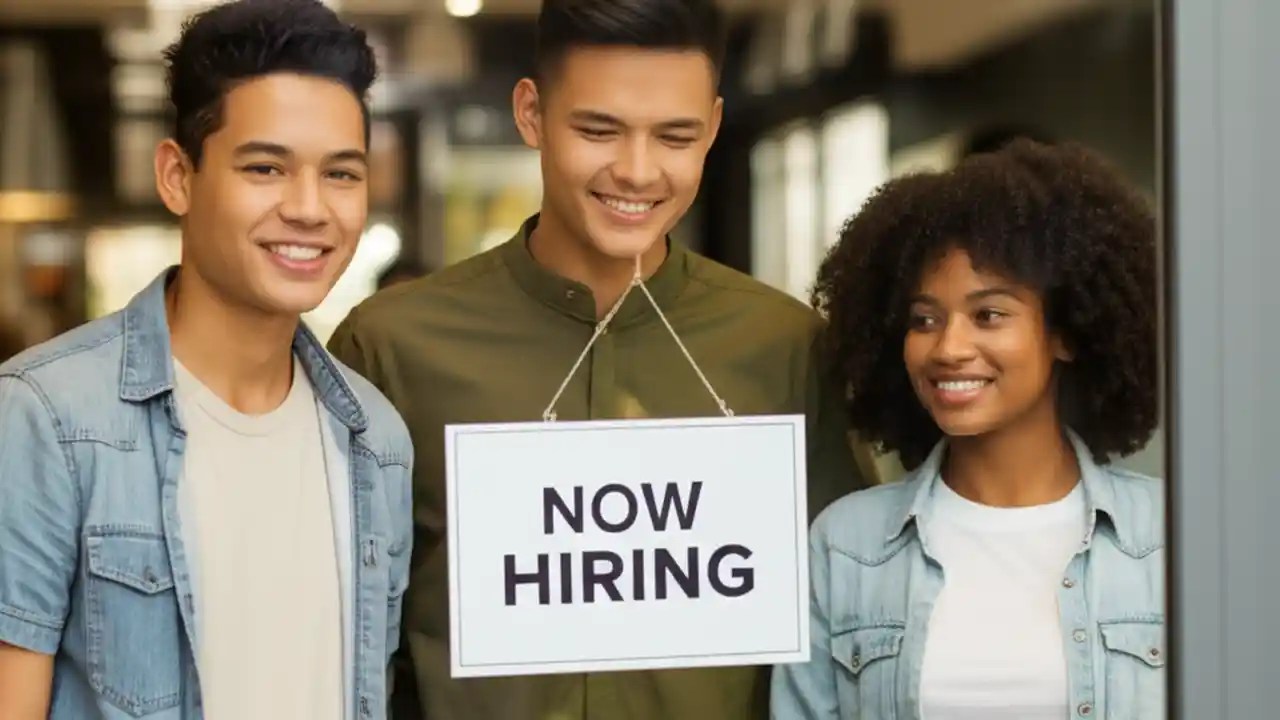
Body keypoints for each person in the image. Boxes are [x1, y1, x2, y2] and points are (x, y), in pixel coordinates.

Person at [326, 0, 867, 718]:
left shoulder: (784, 345)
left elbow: (845, 613)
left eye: (675, 136)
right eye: (597, 130)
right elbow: (345, 634)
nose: (637, 171)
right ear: (531, 114)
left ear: (710, 126)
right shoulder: (392, 348)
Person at [0, 2, 412, 718]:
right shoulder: (47, 418)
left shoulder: (375, 441)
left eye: (341, 175)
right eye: (265, 167)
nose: (310, 208)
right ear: (177, 177)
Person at [771, 139, 1163, 719]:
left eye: (989, 315)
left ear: (1068, 332)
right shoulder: (846, 547)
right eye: (924, 319)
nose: (949, 348)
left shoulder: (1164, 537)